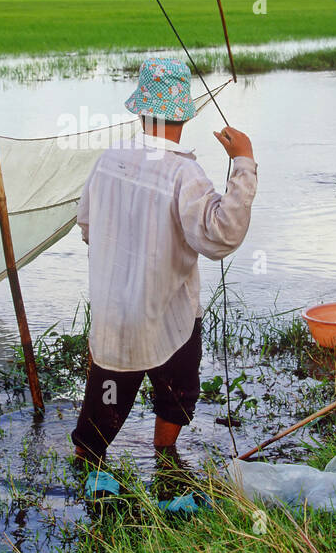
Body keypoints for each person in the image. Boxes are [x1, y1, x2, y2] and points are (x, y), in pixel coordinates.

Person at [71, 56, 257, 471]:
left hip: (114, 310)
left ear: (140, 111)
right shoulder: (184, 174)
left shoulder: (108, 162)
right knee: (178, 391)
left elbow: (86, 224)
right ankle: (164, 456)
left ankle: (87, 461)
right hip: (169, 311)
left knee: (107, 394)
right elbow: (221, 237)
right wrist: (243, 161)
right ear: (184, 117)